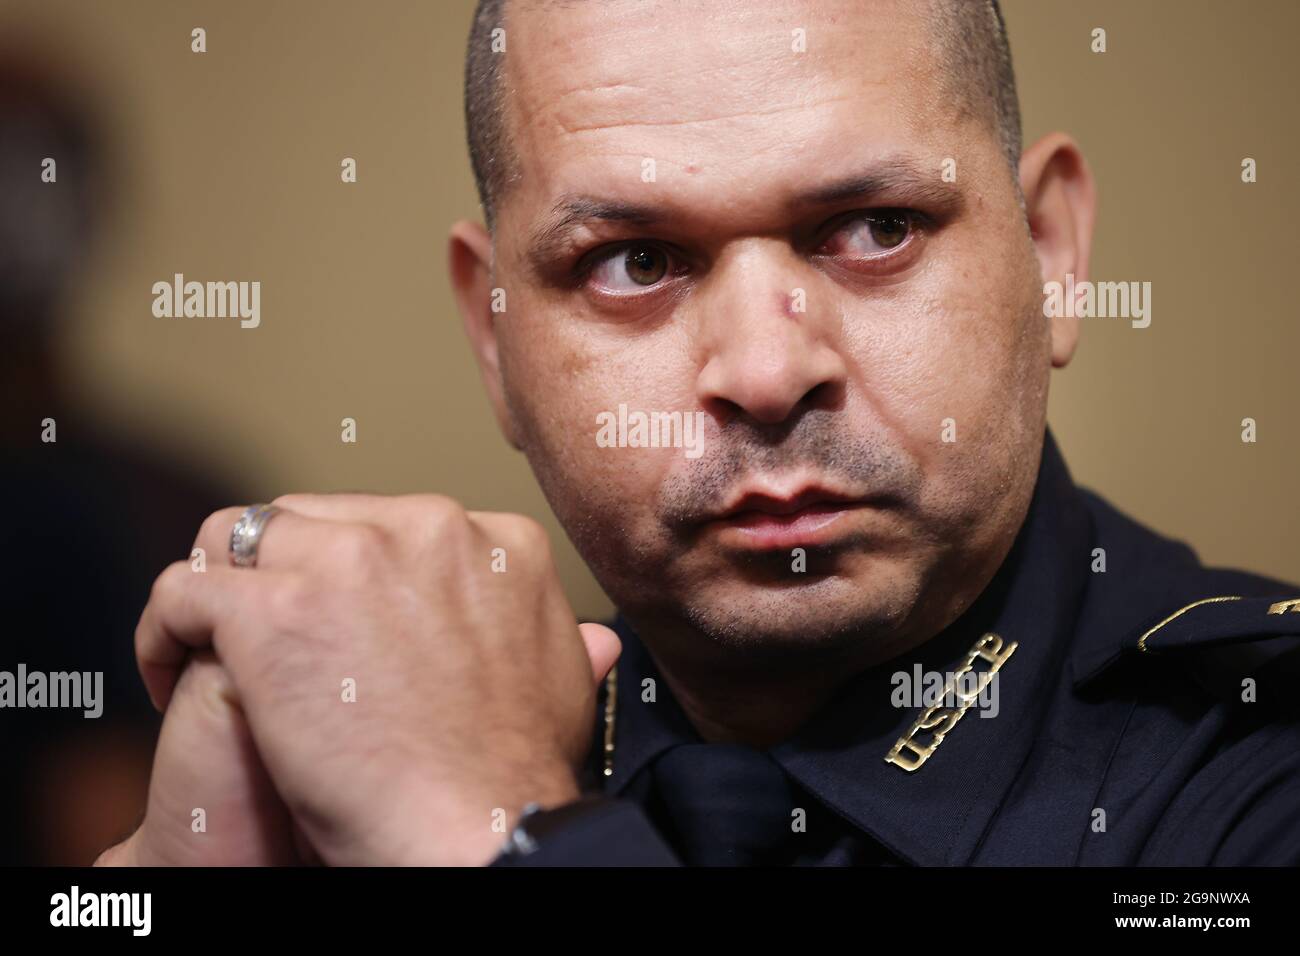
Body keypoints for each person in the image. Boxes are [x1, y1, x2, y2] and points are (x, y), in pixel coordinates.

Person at [97, 0, 1300, 867]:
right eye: (635, 261)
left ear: (1052, 258)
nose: (768, 372)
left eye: (874, 227)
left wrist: (502, 838)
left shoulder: (1254, 778)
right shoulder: (370, 757)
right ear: (494, 338)